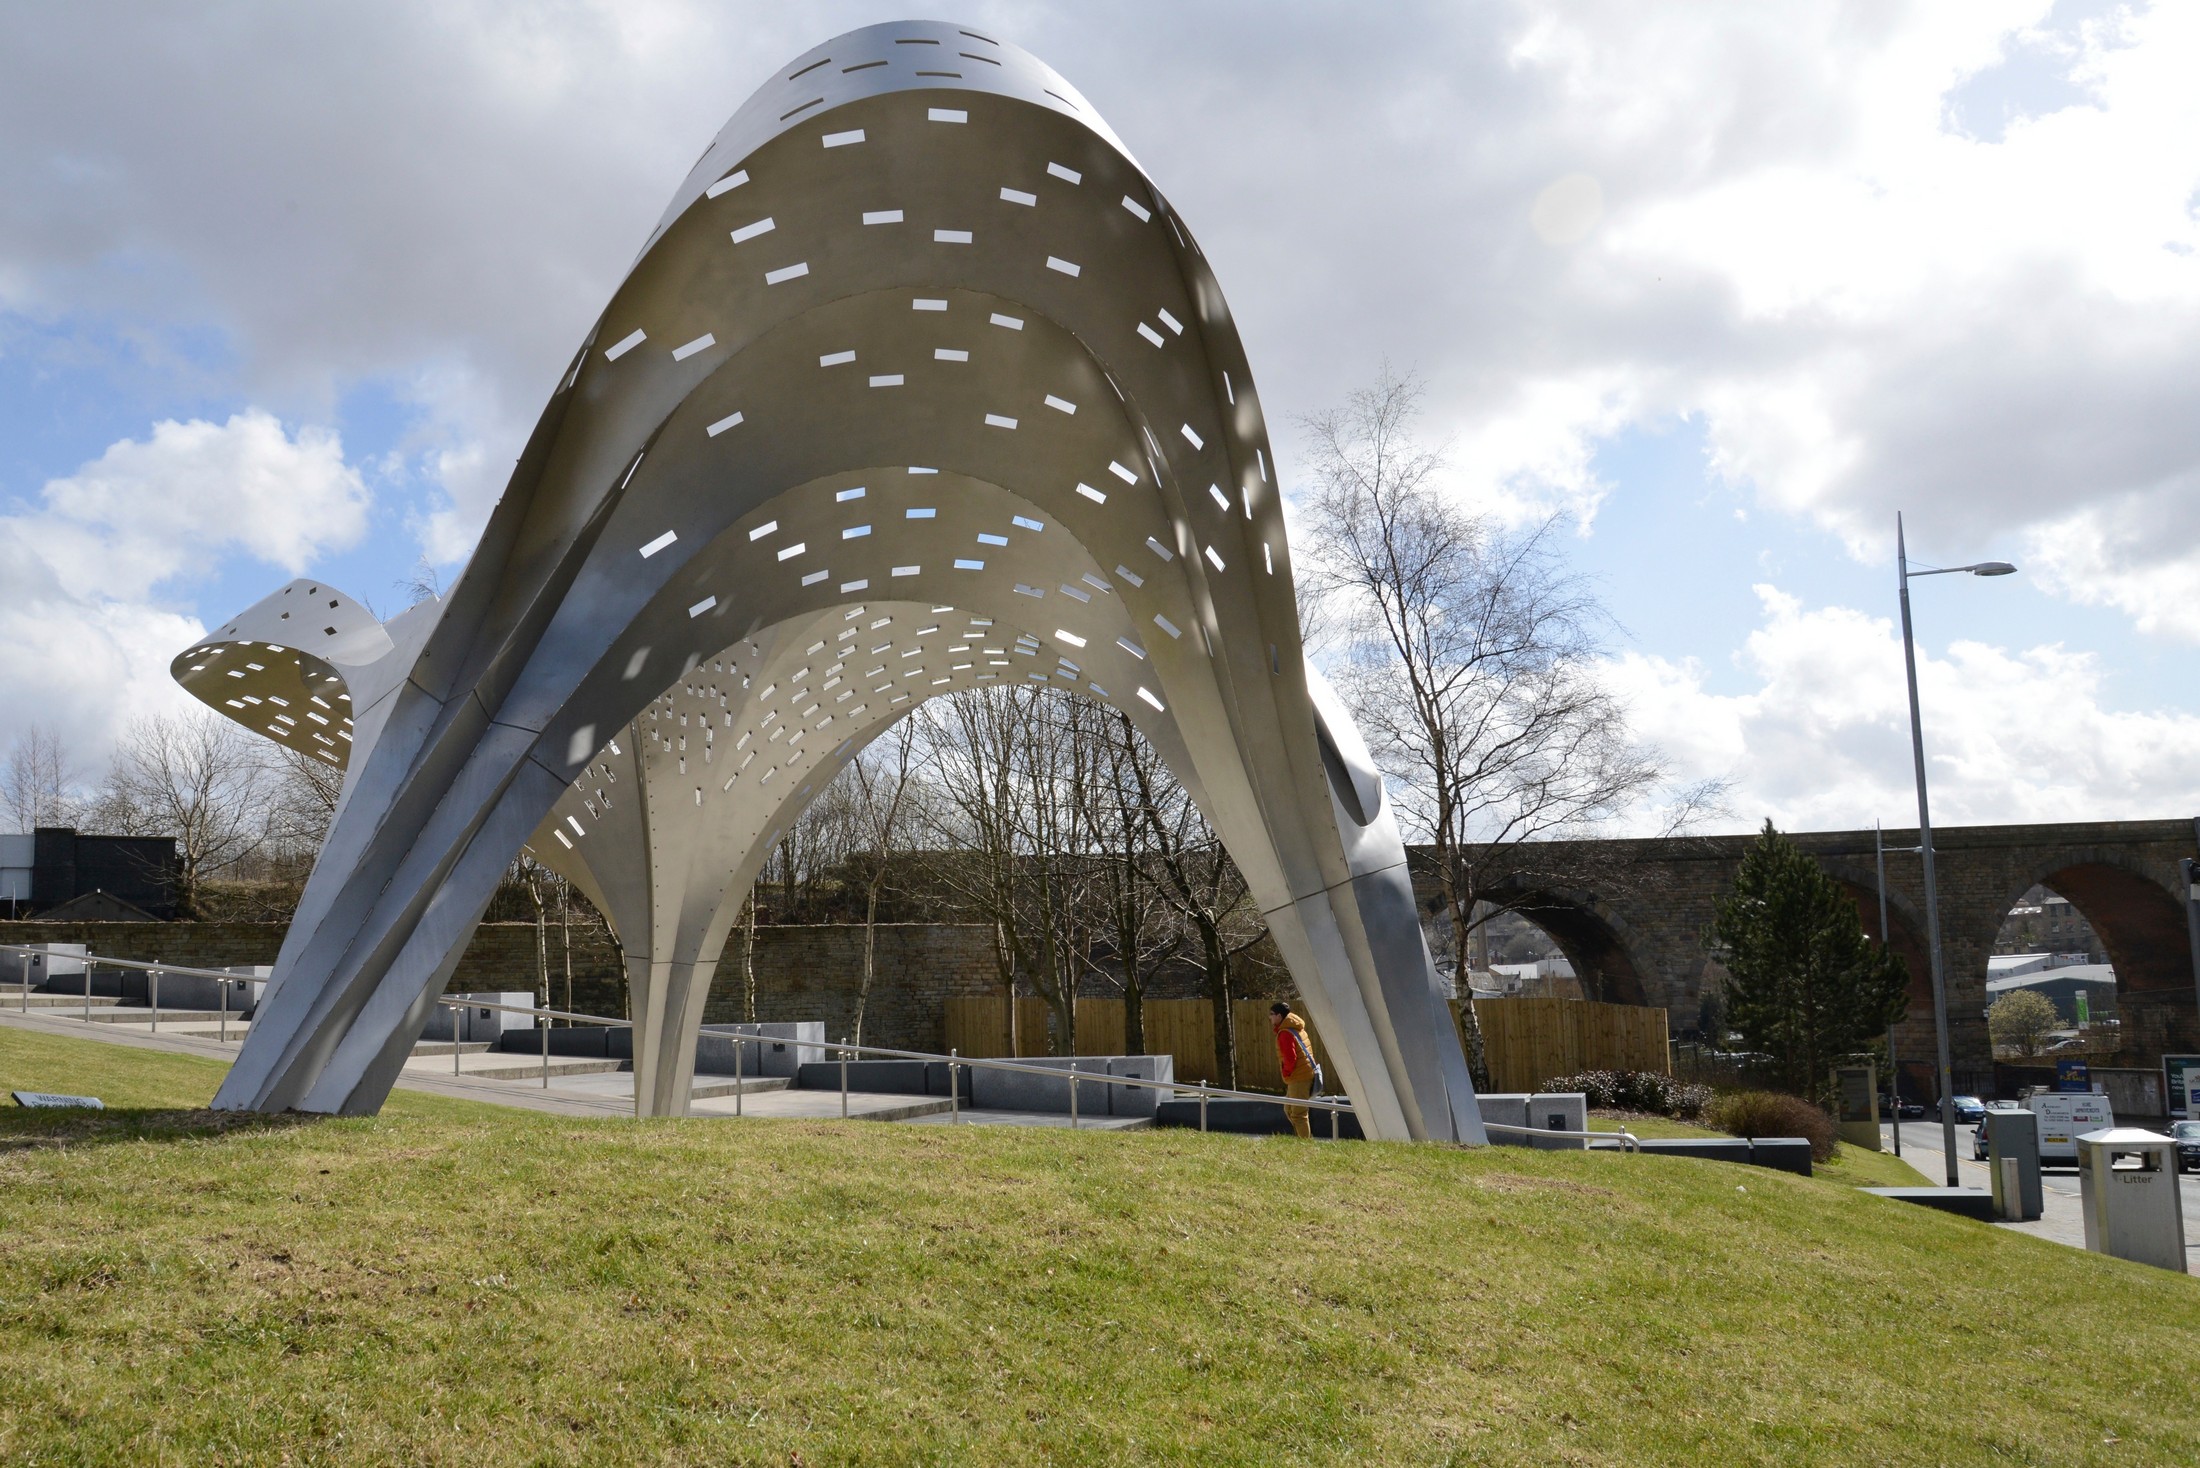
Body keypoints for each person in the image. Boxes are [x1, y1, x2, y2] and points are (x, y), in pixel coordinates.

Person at [1270, 1000, 1318, 1140]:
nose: (1270, 1017)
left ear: (1279, 1016)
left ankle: (1305, 1144)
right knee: (1289, 1109)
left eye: (1272, 1014)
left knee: (1298, 1113)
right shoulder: (1295, 1027)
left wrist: (1286, 1072)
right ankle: (1302, 1137)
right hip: (1302, 1074)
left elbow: (1291, 1058)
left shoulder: (1285, 1033)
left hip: (1298, 1077)